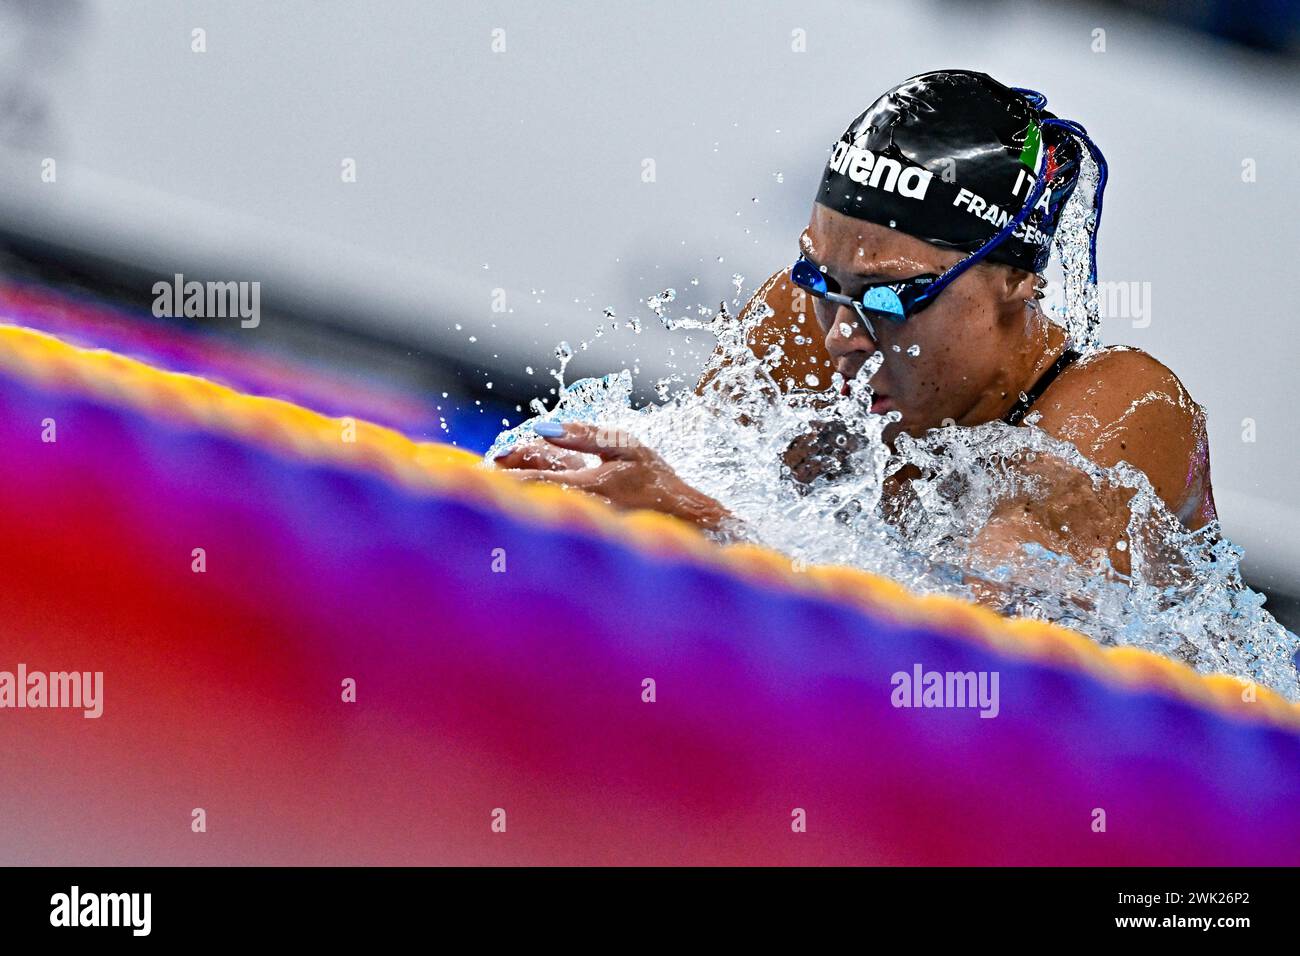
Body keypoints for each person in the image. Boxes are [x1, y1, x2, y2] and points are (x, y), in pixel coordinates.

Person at [494, 70, 1216, 580]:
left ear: (1018, 282)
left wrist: (700, 519)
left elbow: (981, 662)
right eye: (821, 278)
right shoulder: (799, 324)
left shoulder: (1113, 414)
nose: (842, 332)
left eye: (893, 294)